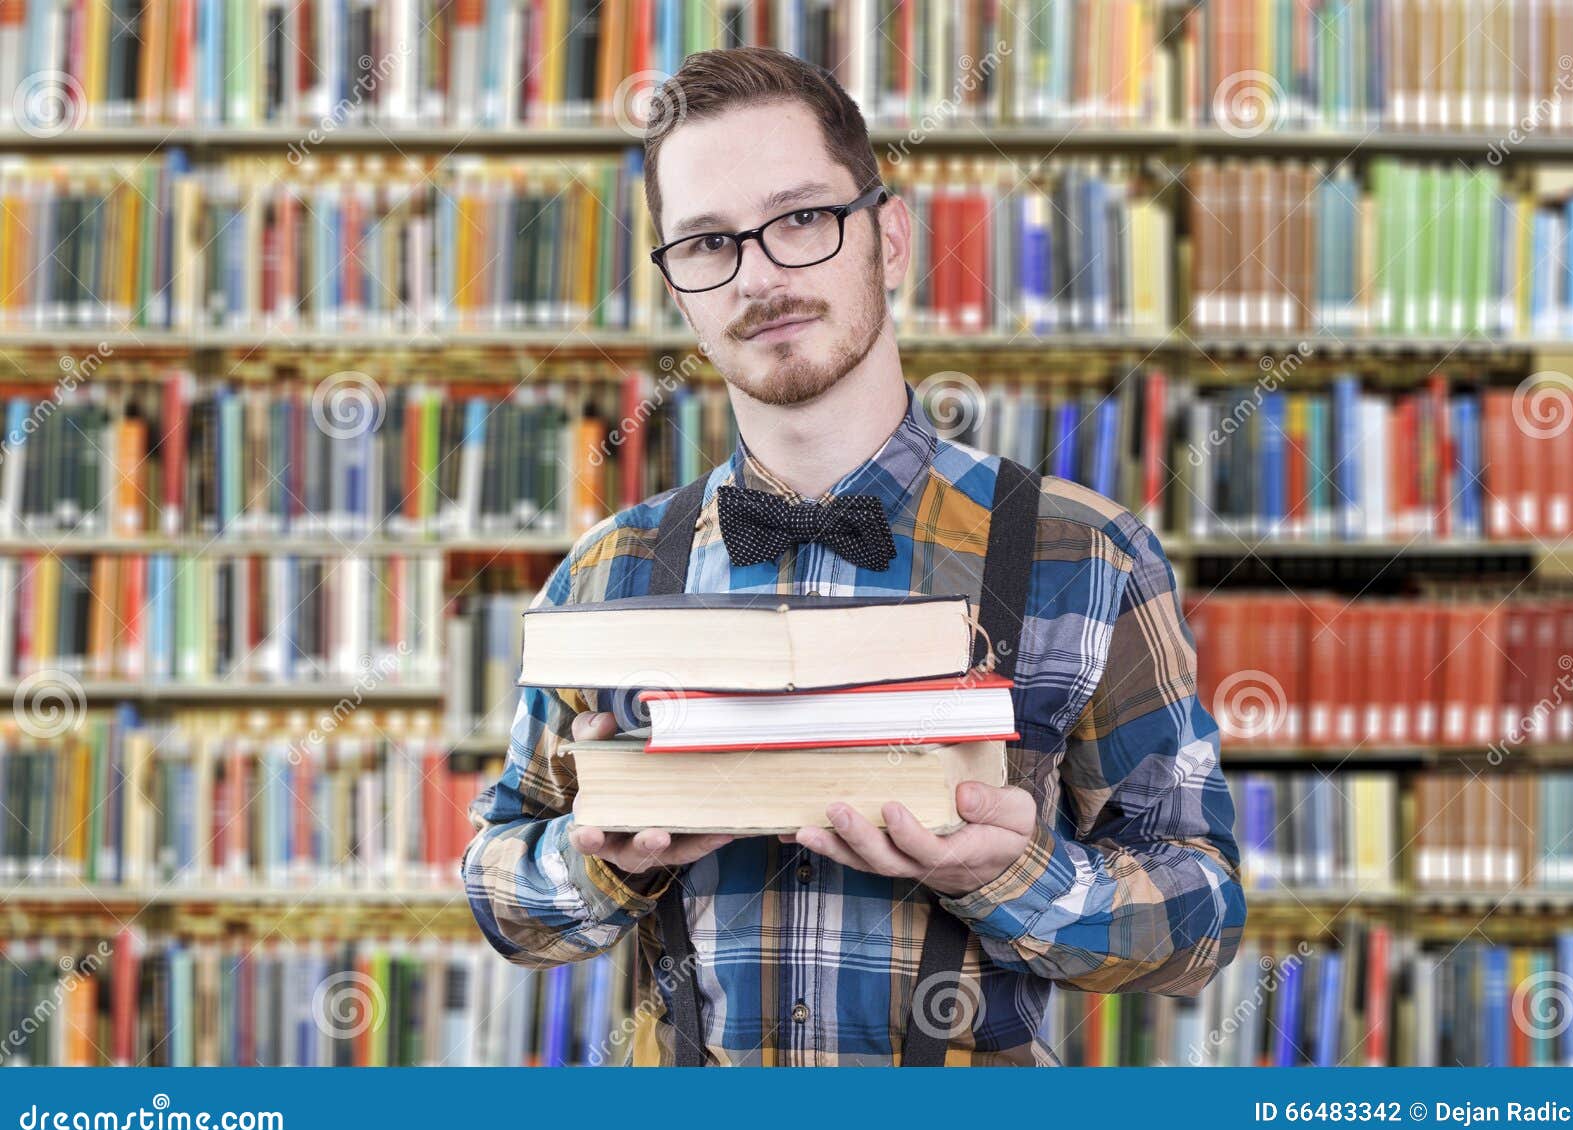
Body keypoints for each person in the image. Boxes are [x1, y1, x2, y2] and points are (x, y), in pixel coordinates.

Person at [461, 45, 1245, 1066]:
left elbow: (1202, 915)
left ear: (889, 236)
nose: (759, 275)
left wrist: (1012, 877)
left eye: (800, 219)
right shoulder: (609, 573)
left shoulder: (1085, 553)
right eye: (706, 243)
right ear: (677, 287)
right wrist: (597, 859)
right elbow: (498, 887)